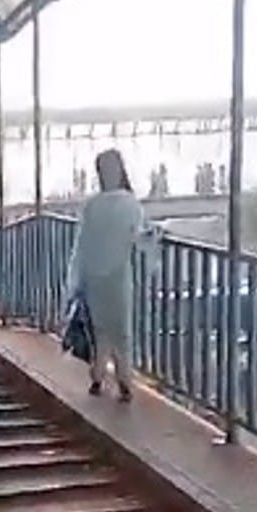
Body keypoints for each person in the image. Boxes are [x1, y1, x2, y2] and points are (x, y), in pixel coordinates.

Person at [65, 149, 158, 402]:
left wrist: (76, 282)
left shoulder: (92, 206)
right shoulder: (130, 204)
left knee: (101, 329)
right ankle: (124, 382)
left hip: (94, 276)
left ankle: (97, 376)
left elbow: (82, 245)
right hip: (118, 274)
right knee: (122, 330)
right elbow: (138, 238)